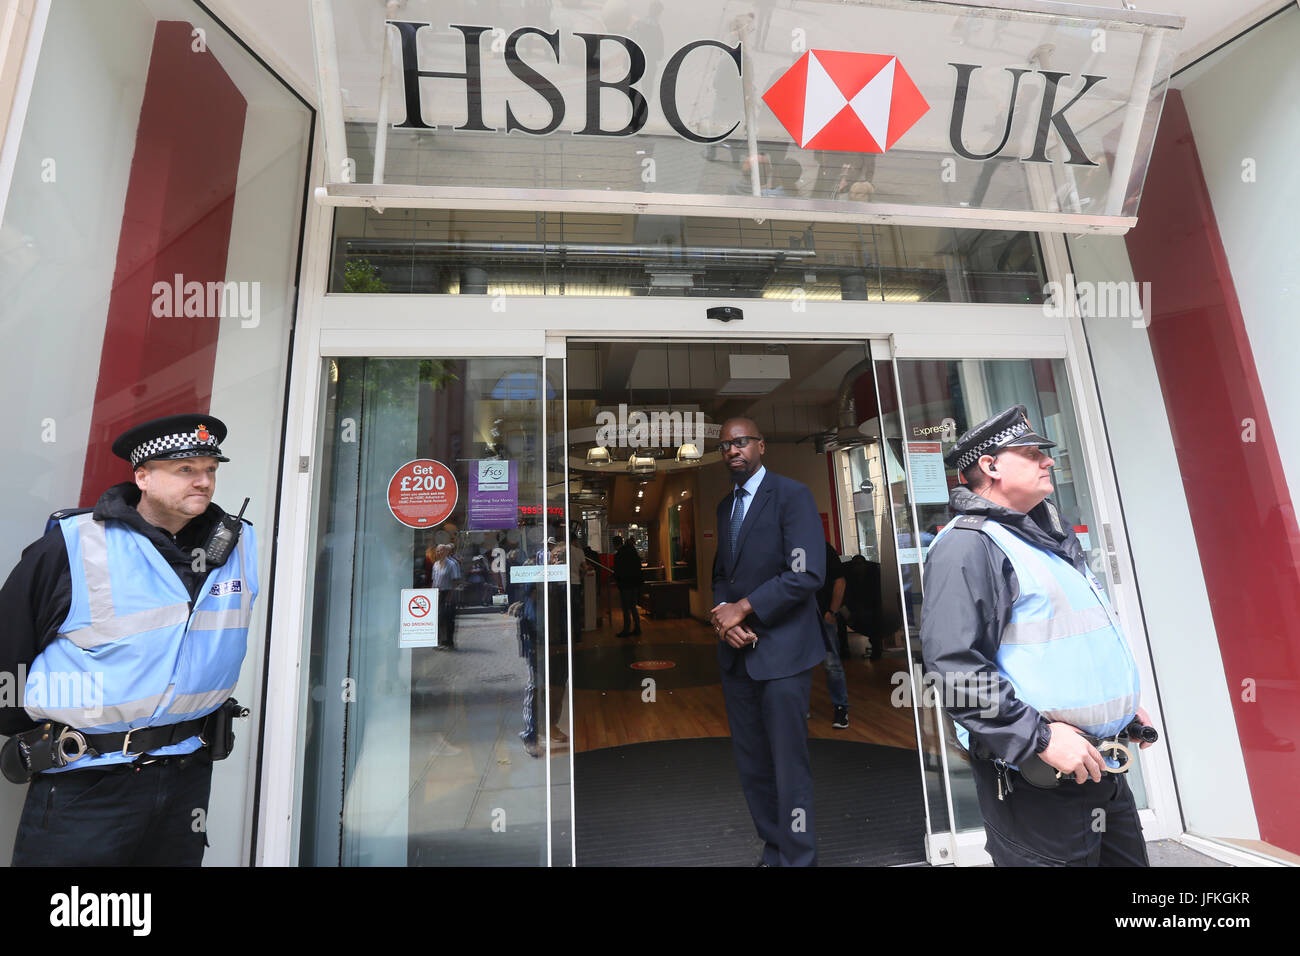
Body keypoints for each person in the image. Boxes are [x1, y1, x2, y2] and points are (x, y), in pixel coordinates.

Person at [0, 414, 256, 866]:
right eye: (186, 469)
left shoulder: (237, 543)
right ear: (142, 476)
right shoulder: (74, 544)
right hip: (86, 780)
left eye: (211, 469)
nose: (204, 481)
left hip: (185, 774)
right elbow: (9, 653)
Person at [919, 404, 1156, 866]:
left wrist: (1117, 707)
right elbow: (953, 669)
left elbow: (1064, 640)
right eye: (1031, 453)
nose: (1049, 460)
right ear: (989, 466)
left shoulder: (1044, 534)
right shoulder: (967, 546)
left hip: (1100, 767)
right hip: (1038, 779)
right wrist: (1040, 738)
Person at [710, 417, 825, 867]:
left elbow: (807, 573)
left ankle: (799, 858)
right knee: (754, 766)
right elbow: (723, 575)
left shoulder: (792, 495)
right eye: (724, 446)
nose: (732, 451)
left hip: (784, 653)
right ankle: (775, 849)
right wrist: (724, 617)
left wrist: (746, 607)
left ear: (760, 446)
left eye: (740, 442)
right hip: (737, 655)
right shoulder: (724, 507)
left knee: (787, 766)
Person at [817, 541, 850, 729]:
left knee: (831, 664)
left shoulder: (823, 548)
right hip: (799, 619)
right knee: (796, 665)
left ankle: (840, 707)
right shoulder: (787, 544)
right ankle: (798, 708)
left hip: (823, 615)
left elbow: (840, 580)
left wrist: (832, 612)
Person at [612, 535, 644, 637]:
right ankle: (637, 628)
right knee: (633, 606)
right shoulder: (632, 551)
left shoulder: (618, 556)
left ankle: (626, 629)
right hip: (634, 583)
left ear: (615, 545)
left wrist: (617, 581)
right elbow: (638, 566)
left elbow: (617, 572)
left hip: (625, 585)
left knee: (626, 608)